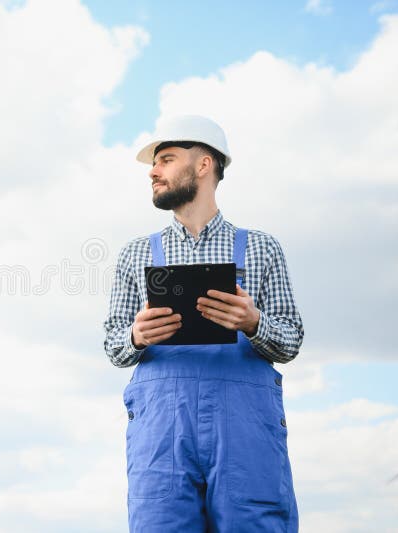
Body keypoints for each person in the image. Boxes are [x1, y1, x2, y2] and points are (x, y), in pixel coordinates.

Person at [103, 115, 303, 532]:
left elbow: (290, 339)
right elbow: (113, 345)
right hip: (163, 435)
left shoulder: (262, 248)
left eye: (166, 160)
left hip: (244, 432)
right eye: (153, 166)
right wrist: (137, 335)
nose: (153, 172)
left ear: (204, 165)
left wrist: (254, 322)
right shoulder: (134, 255)